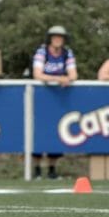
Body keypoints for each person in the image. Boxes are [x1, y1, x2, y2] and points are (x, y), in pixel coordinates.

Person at [32, 25, 77, 179]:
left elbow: (73, 74)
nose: (58, 39)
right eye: (55, 36)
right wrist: (59, 79)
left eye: (60, 37)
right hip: (40, 98)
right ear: (50, 38)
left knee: (55, 132)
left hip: (58, 99)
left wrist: (67, 78)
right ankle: (36, 170)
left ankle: (52, 169)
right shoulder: (42, 52)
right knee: (37, 132)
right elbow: (37, 74)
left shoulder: (67, 53)